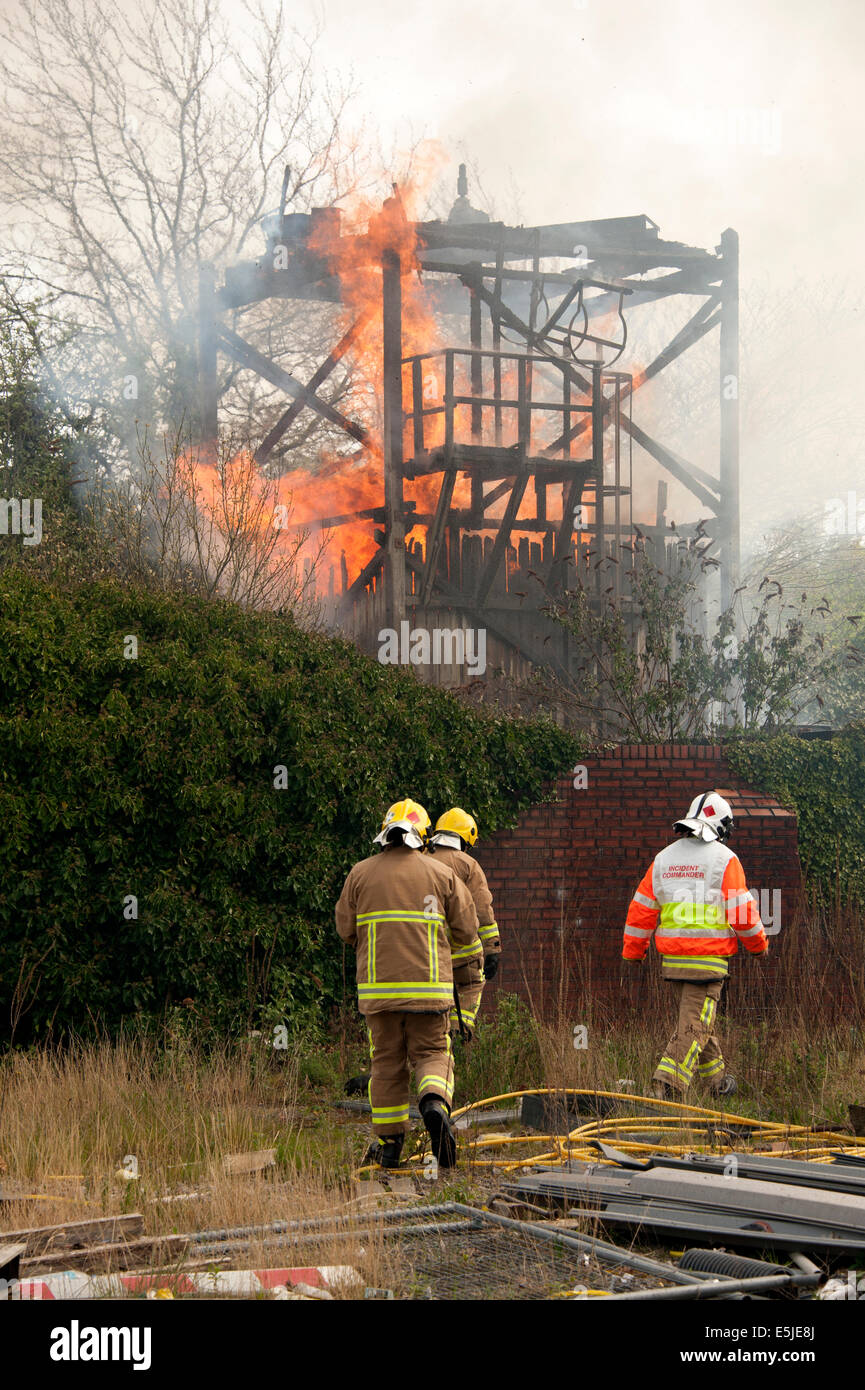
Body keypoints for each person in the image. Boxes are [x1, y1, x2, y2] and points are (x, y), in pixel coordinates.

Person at [335, 798, 479, 1169]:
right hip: (429, 993)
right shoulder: (441, 874)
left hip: (378, 995)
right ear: (423, 834)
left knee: (386, 1065)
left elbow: (345, 930)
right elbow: (467, 931)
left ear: (385, 834)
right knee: (433, 1055)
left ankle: (389, 1147)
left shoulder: (360, 874)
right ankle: (433, 1104)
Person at [622, 791, 768, 1100]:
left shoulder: (663, 859)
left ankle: (719, 1085)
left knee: (699, 1020)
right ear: (718, 825)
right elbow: (742, 912)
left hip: (674, 962)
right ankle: (668, 1085)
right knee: (696, 1024)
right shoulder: (725, 860)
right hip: (708, 960)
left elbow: (642, 908)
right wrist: (758, 946)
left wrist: (634, 951)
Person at [427, 808, 500, 1040]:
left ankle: (436, 1035)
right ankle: (460, 1032)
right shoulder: (468, 865)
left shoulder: (420, 860)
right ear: (466, 838)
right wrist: (493, 948)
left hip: (425, 952)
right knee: (472, 984)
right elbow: (483, 910)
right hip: (463, 952)